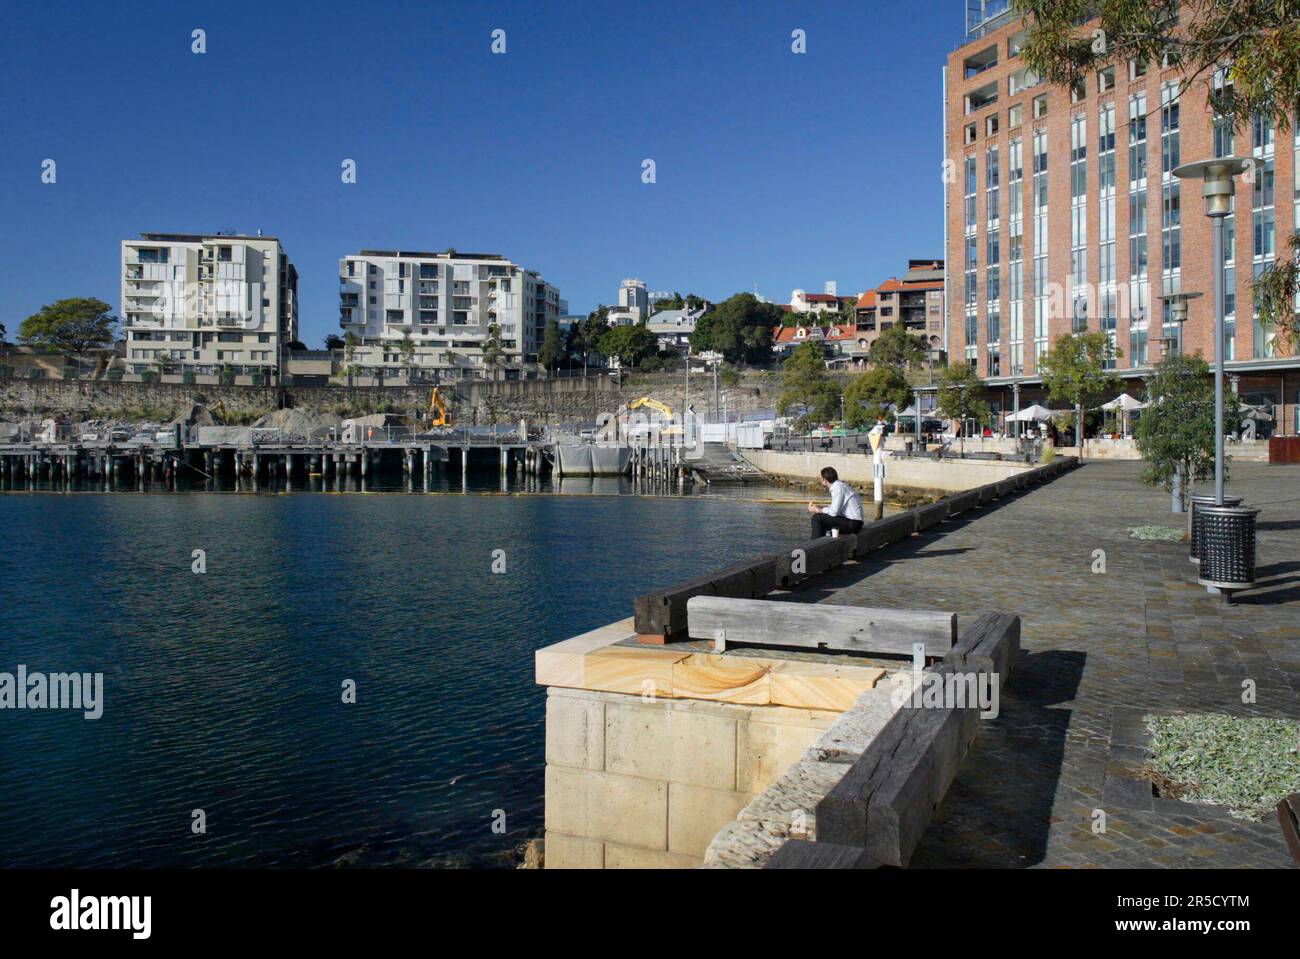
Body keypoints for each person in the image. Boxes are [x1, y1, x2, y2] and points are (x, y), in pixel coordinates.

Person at [807, 466, 864, 538]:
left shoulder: (837, 487)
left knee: (816, 518)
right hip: (854, 522)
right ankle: (822, 544)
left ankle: (814, 545)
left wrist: (818, 510)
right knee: (822, 521)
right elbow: (835, 509)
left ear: (824, 480)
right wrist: (820, 509)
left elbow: (834, 512)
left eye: (821, 478)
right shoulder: (840, 485)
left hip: (853, 523)